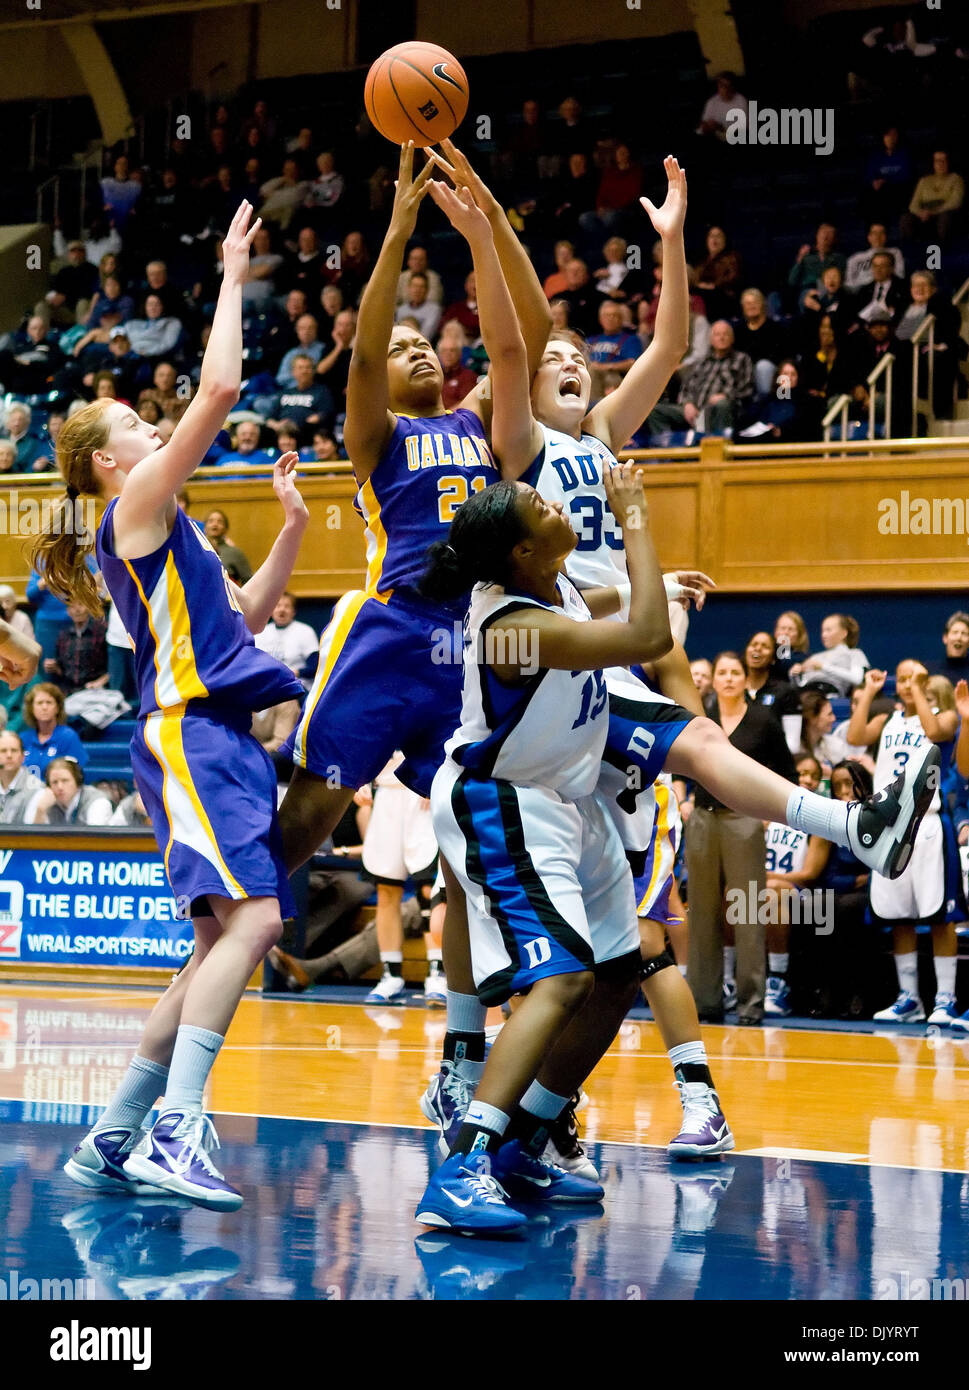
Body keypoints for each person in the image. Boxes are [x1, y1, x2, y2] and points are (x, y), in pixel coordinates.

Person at [422, 155, 941, 1151]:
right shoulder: (524, 449)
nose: (568, 363)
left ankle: (539, 1114)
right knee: (647, 818)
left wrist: (668, 240)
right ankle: (472, 1076)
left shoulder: (610, 432)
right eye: (555, 358)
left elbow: (666, 342)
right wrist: (485, 238)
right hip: (571, 655)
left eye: (581, 358)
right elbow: (507, 342)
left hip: (610, 644)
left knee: (655, 855)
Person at [37, 200, 308, 1212]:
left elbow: (247, 610)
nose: (158, 432)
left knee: (213, 945)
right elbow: (226, 383)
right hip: (192, 733)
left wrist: (288, 529)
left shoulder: (173, 533)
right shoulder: (134, 507)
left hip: (209, 730)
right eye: (141, 429)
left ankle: (112, 1136)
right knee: (263, 920)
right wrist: (233, 271)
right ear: (114, 462)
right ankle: (177, 1126)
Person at [415, 463, 666, 1233]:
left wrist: (659, 581)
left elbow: (609, 604)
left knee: (621, 972)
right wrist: (634, 520)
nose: (551, 501)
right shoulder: (511, 624)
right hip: (505, 800)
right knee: (559, 980)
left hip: (564, 798)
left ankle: (524, 1138)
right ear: (523, 552)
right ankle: (462, 1165)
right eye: (537, 504)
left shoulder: (549, 588)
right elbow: (647, 637)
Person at [687, 652, 798, 1024]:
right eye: (723, 673)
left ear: (743, 680)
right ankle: (705, 1002)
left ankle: (752, 1003)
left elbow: (788, 774)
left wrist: (768, 817)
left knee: (748, 912)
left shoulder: (763, 719)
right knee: (702, 912)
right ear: (714, 680)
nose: (730, 678)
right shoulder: (701, 718)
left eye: (736, 673)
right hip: (702, 819)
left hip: (745, 821)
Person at [849, 663, 960, 1026]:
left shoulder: (944, 717)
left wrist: (921, 693)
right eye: (903, 676)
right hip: (889, 826)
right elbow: (853, 737)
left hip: (927, 824)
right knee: (899, 916)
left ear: (926, 682)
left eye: (914, 676)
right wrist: (868, 691)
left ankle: (945, 998)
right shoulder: (887, 721)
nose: (906, 681)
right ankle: (909, 998)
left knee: (940, 916)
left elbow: (933, 730)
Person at [362, 754, 441, 1006]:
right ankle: (391, 974)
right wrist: (358, 780)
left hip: (423, 791)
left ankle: (437, 972)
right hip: (386, 791)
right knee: (386, 888)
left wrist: (437, 776)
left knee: (429, 890)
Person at [744, 630, 802, 752]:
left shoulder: (786, 692)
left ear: (773, 658)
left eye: (765, 646)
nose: (758, 649)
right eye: (754, 645)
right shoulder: (735, 689)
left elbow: (793, 745)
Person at [19, 682, 89, 779]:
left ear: (57, 708)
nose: (44, 707)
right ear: (31, 709)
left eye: (49, 702)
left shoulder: (68, 737)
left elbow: (76, 775)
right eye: (40, 703)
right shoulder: (24, 738)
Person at [791, 612, 869, 697]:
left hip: (828, 695)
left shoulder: (854, 653)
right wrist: (794, 676)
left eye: (828, 630)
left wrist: (823, 667)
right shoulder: (815, 657)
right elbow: (801, 684)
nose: (824, 635)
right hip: (805, 693)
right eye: (823, 631)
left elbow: (857, 679)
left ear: (843, 633)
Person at [900, 150, 964, 246]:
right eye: (937, 161)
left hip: (944, 211)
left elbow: (955, 202)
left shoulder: (955, 179)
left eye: (944, 160)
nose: (941, 164)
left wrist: (933, 212)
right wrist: (920, 213)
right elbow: (913, 205)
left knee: (945, 218)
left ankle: (944, 248)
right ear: (933, 163)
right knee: (906, 219)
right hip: (924, 213)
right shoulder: (924, 181)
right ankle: (912, 249)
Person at [45, 598, 109, 694]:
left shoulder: (102, 631)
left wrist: (99, 682)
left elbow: (114, 667)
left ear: (89, 607)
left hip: (95, 689)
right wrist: (53, 666)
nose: (77, 610)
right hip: (68, 690)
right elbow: (62, 669)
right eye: (72, 606)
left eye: (80, 605)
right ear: (68, 611)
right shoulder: (64, 635)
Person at [33, 757, 113, 826]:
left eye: (65, 781)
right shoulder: (46, 802)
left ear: (77, 781)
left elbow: (96, 840)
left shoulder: (97, 802)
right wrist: (40, 811)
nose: (60, 787)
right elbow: (34, 841)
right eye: (55, 782)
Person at [254, 592, 318, 675]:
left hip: (296, 682)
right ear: (271, 610)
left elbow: (316, 667)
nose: (282, 610)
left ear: (293, 612)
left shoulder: (305, 631)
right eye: (278, 606)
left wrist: (294, 673)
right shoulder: (260, 632)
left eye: (287, 606)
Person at [0, 730, 44, 823]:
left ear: (23, 756)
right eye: (3, 751)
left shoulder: (36, 788)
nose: (9, 755)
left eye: (14, 750)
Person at [845, 227, 905, 293]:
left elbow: (899, 276)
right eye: (874, 233)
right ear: (869, 237)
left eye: (881, 233)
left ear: (886, 236)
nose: (878, 237)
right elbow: (848, 283)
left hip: (886, 290)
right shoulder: (855, 258)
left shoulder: (895, 252)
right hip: (858, 293)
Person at [203, 509, 252, 583]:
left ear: (225, 528)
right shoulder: (197, 550)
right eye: (211, 521)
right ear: (204, 527)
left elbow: (248, 580)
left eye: (220, 522)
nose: (215, 524)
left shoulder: (235, 553)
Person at [926, 611, 969, 681]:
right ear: (945, 638)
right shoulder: (931, 671)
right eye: (955, 632)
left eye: (964, 634)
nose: (959, 637)